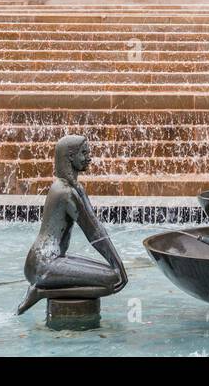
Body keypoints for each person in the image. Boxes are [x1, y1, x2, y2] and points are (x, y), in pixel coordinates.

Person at [17, 135, 128, 315]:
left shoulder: (75, 188)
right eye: (84, 153)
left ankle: (41, 290)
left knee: (113, 273)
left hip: (50, 258)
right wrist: (119, 266)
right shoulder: (65, 192)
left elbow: (96, 225)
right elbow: (93, 232)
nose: (89, 158)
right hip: (43, 265)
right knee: (114, 279)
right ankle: (40, 292)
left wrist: (117, 264)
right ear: (70, 157)